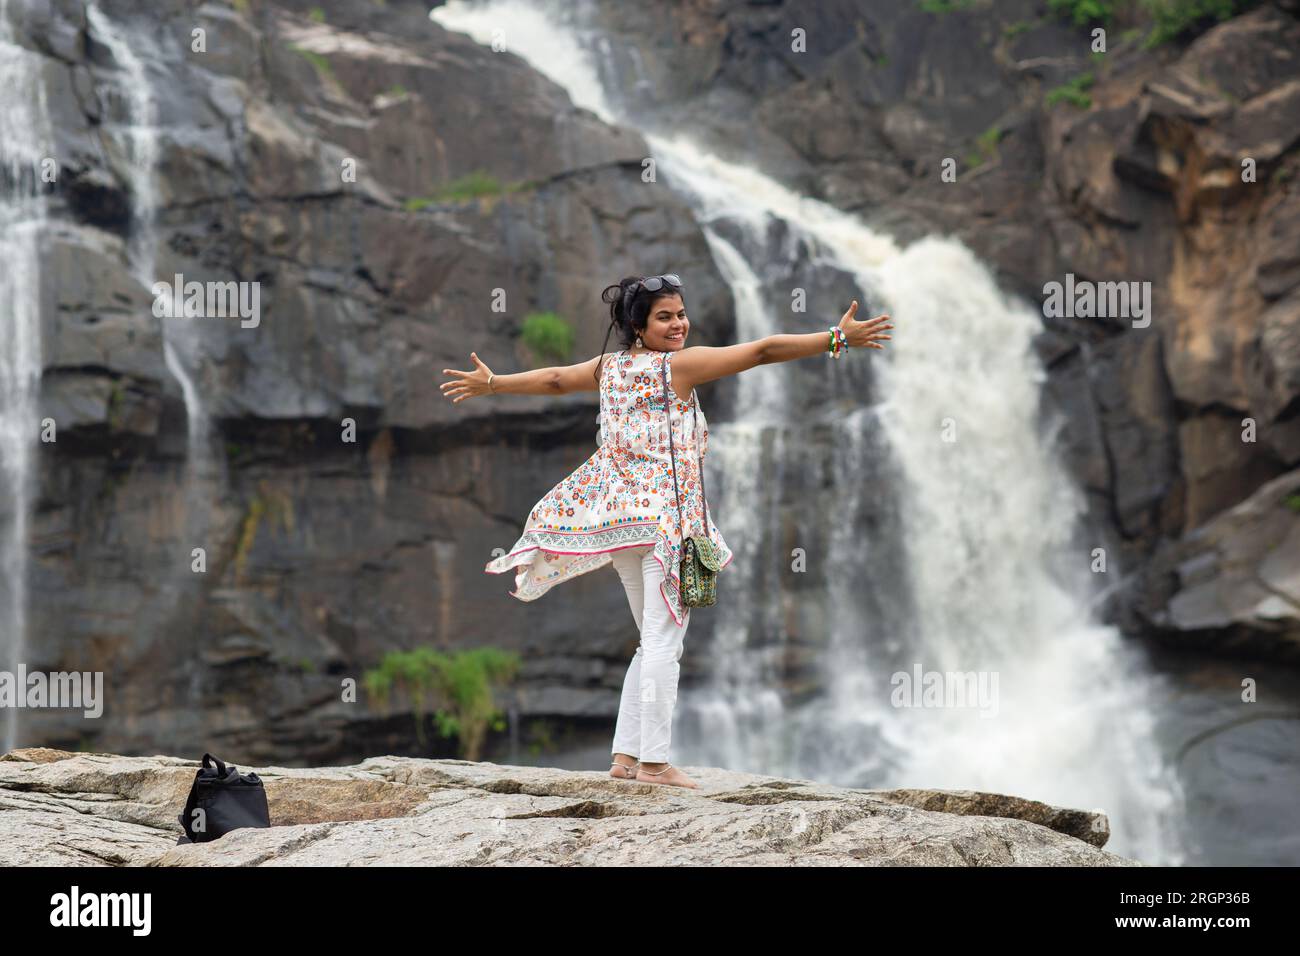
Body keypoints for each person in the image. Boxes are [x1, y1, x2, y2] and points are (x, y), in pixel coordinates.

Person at [440, 274, 892, 789]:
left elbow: (556, 380)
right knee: (663, 642)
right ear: (639, 325)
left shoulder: (609, 368)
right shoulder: (676, 366)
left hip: (621, 525)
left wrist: (495, 383)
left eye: (681, 314)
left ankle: (625, 757)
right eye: (665, 317)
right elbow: (763, 350)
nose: (679, 325)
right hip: (663, 525)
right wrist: (835, 338)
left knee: (647, 640)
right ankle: (655, 764)